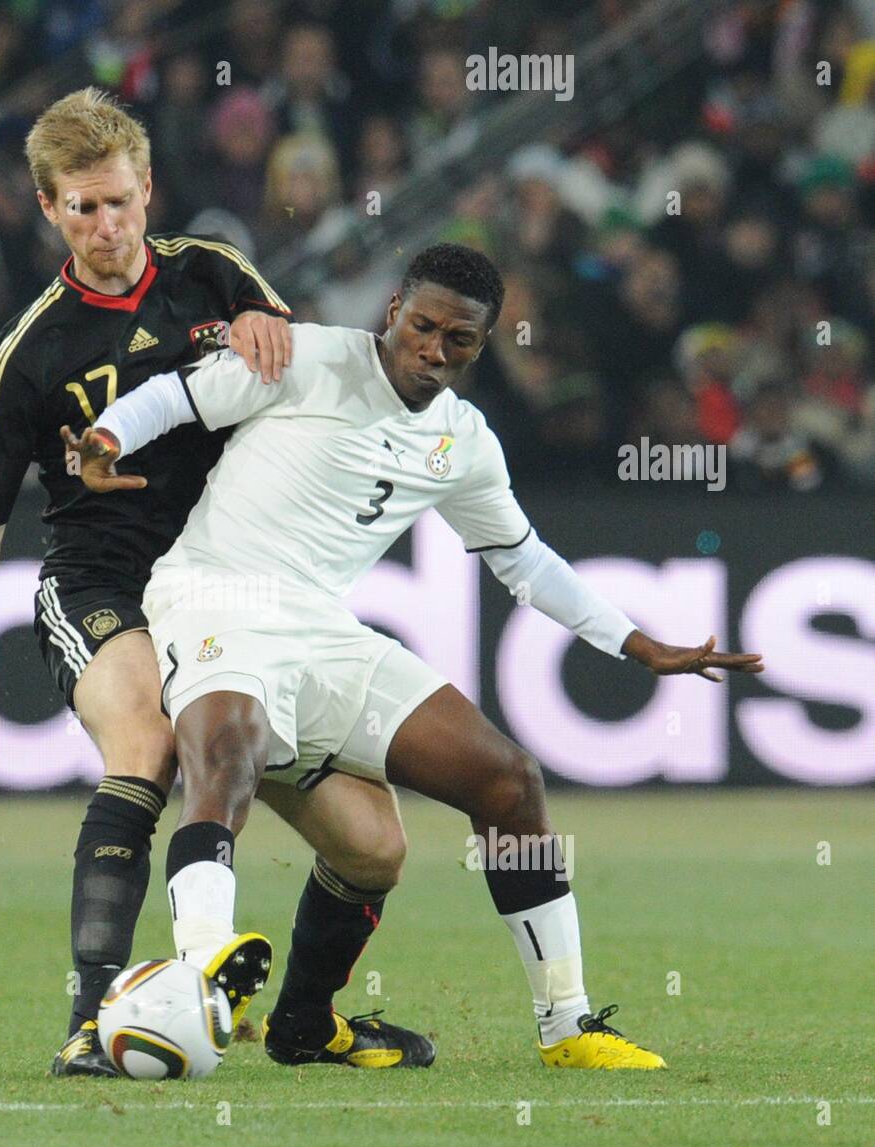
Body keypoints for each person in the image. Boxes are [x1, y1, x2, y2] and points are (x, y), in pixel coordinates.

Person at [66, 243, 765, 1070]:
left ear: (485, 342)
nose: (433, 350)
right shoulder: (307, 356)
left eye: (459, 340)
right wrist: (106, 437)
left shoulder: (463, 442)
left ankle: (566, 1024)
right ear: (394, 306)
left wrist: (638, 644)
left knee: (509, 780)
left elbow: (526, 561)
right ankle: (206, 966)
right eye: (423, 325)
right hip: (216, 598)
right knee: (229, 747)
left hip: (324, 632)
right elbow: (175, 398)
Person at [0, 88, 431, 1076]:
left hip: (228, 586)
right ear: (48, 209)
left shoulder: (212, 274)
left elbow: (286, 370)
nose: (105, 227)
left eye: (118, 202)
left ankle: (305, 1023)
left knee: (375, 844)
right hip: (105, 584)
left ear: (148, 190)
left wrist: (266, 332)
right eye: (80, 208)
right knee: (147, 740)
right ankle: (92, 1019)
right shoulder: (27, 357)